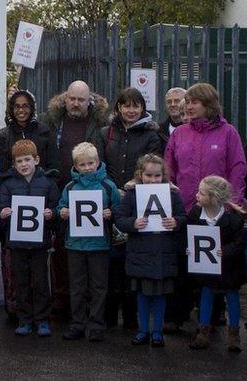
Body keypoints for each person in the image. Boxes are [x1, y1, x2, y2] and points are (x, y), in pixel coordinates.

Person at [164, 82, 247, 331]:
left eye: (194, 102)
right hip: (186, 210)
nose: (188, 106)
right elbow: (169, 168)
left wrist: (232, 204)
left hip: (216, 212)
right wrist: (171, 199)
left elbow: (237, 168)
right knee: (183, 262)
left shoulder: (229, 133)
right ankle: (177, 316)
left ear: (209, 104)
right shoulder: (179, 133)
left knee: (214, 266)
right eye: (187, 102)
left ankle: (211, 317)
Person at [41, 80, 109, 317]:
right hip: (61, 190)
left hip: (91, 192)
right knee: (60, 248)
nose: (76, 104)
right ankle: (62, 297)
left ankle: (88, 302)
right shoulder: (51, 121)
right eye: (72, 99)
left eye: (81, 100)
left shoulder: (101, 123)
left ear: (89, 101)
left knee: (89, 250)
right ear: (65, 98)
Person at [98, 87, 162, 330]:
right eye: (127, 105)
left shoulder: (151, 135)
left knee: (131, 259)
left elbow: (152, 166)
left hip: (138, 200)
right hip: (110, 198)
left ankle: (131, 315)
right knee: (111, 260)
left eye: (136, 105)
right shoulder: (106, 132)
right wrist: (113, 189)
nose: (131, 110)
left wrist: (132, 185)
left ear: (143, 108)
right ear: (119, 107)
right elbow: (100, 164)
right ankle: (109, 315)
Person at [114, 154, 185, 347]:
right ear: (140, 174)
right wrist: (133, 223)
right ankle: (143, 330)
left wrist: (176, 222)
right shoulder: (132, 194)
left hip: (163, 253)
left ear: (163, 175)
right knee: (143, 294)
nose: (153, 180)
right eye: (148, 175)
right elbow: (119, 218)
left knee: (160, 295)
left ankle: (157, 332)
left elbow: (182, 216)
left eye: (157, 176)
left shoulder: (172, 195)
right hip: (140, 253)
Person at [0, 139, 61, 337]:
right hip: (17, 245)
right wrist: (2, 214)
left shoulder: (48, 183)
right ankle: (24, 319)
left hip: (40, 244)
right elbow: (0, 211)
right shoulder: (8, 184)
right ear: (14, 164)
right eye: (19, 161)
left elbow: (57, 208)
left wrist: (52, 214)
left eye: (27, 160)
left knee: (41, 282)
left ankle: (42, 320)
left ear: (36, 160)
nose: (23, 164)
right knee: (21, 283)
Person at [57, 142, 120, 342]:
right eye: (82, 165)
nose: (87, 168)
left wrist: (111, 213)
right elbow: (61, 206)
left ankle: (96, 325)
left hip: (99, 245)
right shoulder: (70, 187)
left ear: (98, 161)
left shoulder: (108, 186)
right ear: (75, 166)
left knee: (99, 287)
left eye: (90, 163)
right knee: (77, 287)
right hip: (75, 245)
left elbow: (119, 209)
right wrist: (62, 212)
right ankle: (78, 324)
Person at [187, 176, 247, 352]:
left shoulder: (234, 219)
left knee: (232, 297)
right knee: (206, 294)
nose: (197, 195)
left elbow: (241, 242)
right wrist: (189, 249)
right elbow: (190, 235)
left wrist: (226, 251)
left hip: (230, 269)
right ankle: (203, 332)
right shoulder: (195, 214)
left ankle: (234, 334)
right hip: (207, 266)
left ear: (213, 197)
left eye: (201, 193)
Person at [0, 89, 58, 173]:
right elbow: (2, 168)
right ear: (12, 109)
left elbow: (53, 164)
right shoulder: (3, 136)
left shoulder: (45, 132)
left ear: (31, 108)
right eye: (17, 106)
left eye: (25, 106)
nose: (21, 110)